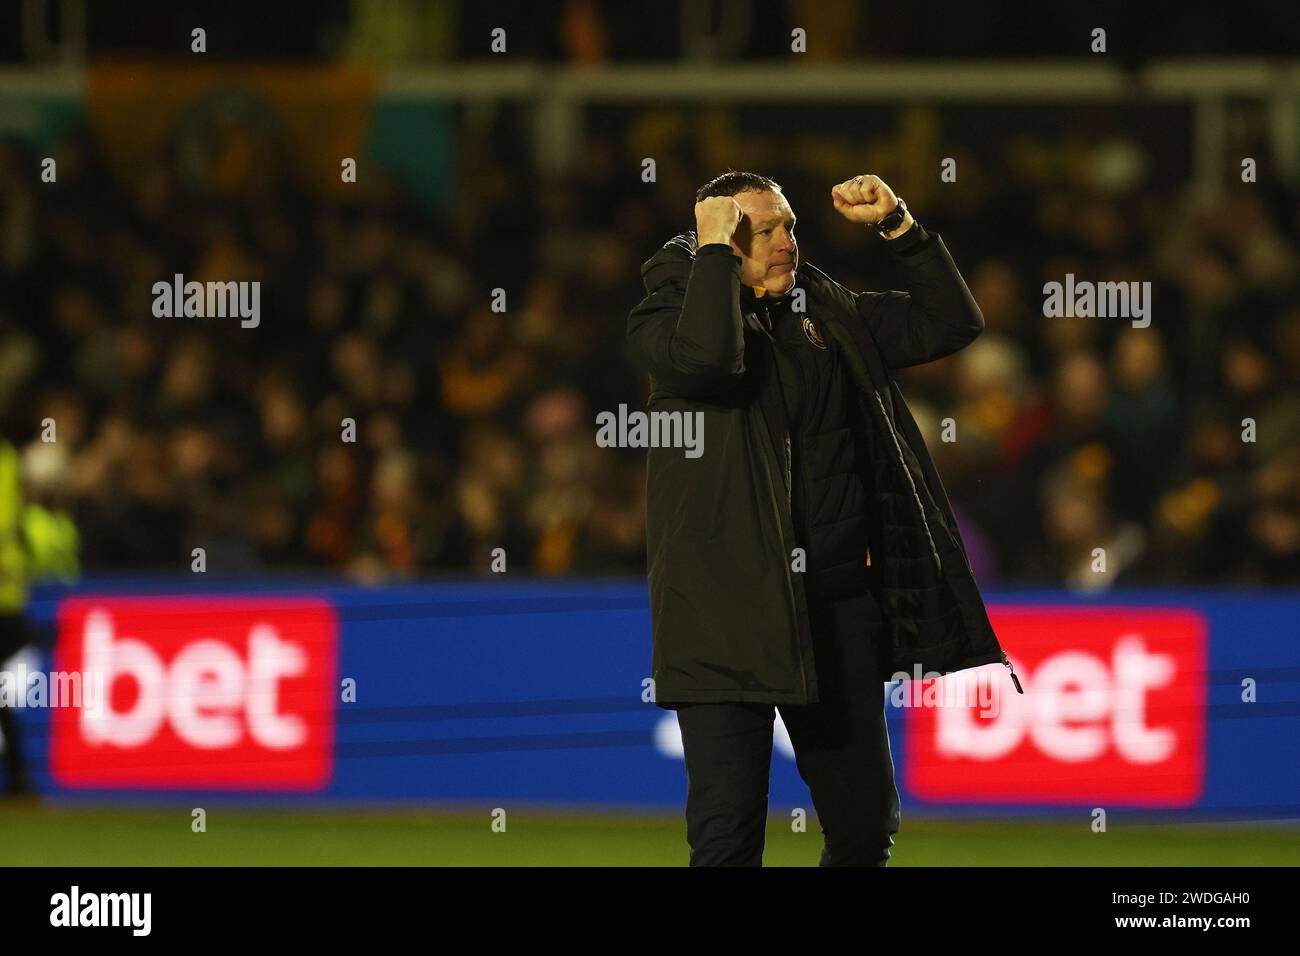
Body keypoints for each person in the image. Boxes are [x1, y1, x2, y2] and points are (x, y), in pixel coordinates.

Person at [627, 170, 1022, 866]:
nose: (787, 243)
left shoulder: (828, 313)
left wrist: (900, 226)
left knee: (865, 831)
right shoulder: (665, 320)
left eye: (790, 227)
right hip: (722, 620)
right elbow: (712, 361)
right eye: (765, 230)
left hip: (835, 614)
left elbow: (951, 322)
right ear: (717, 240)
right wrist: (713, 255)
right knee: (726, 845)